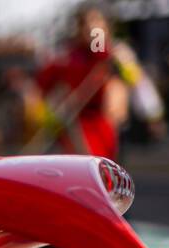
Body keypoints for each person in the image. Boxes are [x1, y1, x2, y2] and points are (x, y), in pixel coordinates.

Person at [34, 5, 128, 158]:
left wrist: (98, 34)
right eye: (86, 23)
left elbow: (103, 57)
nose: (91, 28)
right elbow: (43, 84)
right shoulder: (69, 57)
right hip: (78, 124)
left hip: (103, 122)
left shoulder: (109, 54)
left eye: (96, 22)